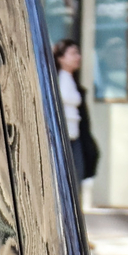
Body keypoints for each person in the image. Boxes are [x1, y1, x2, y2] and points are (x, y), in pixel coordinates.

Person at [54, 39, 99, 183]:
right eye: (73, 53)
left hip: (75, 135)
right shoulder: (56, 80)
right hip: (60, 137)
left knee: (76, 177)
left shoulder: (73, 81)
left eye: (78, 53)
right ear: (61, 58)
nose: (77, 57)